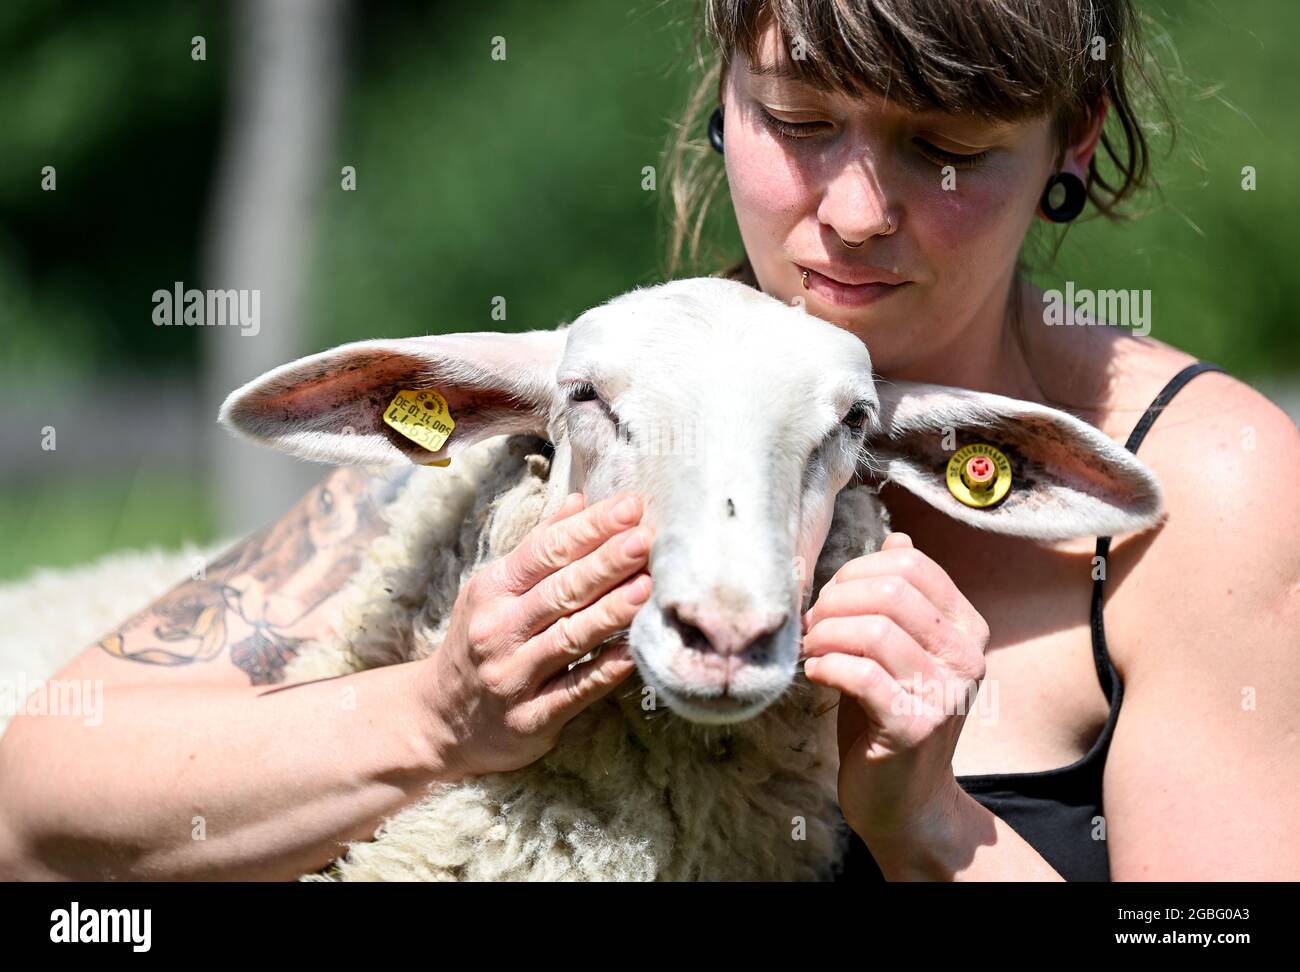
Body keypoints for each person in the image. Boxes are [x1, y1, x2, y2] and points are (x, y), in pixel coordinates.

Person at [2, 0, 1296, 881]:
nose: (852, 212)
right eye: (796, 118)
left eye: (946, 149)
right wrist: (438, 717)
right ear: (725, 92)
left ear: (1068, 139)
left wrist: (929, 828)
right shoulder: (593, 409)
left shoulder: (1201, 497)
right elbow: (33, 801)